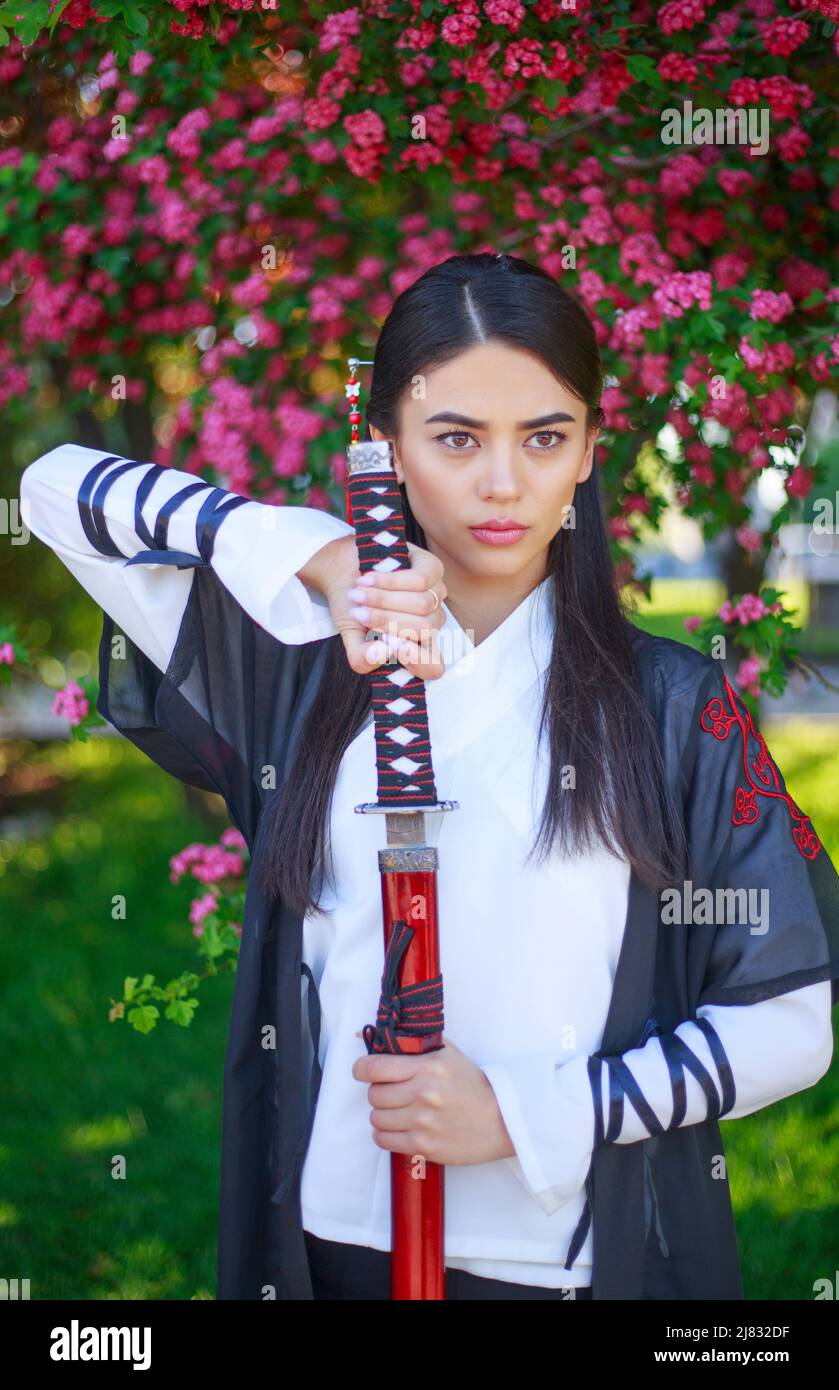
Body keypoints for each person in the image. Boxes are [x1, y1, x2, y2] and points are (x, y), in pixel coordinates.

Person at [19, 252, 838, 1301]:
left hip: (560, 1255)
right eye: (455, 437)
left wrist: (521, 1112)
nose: (502, 483)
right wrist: (313, 556)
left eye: (542, 437)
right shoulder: (299, 663)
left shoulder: (670, 705)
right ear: (390, 452)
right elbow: (55, 493)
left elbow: (790, 1023)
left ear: (589, 450)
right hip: (332, 1240)